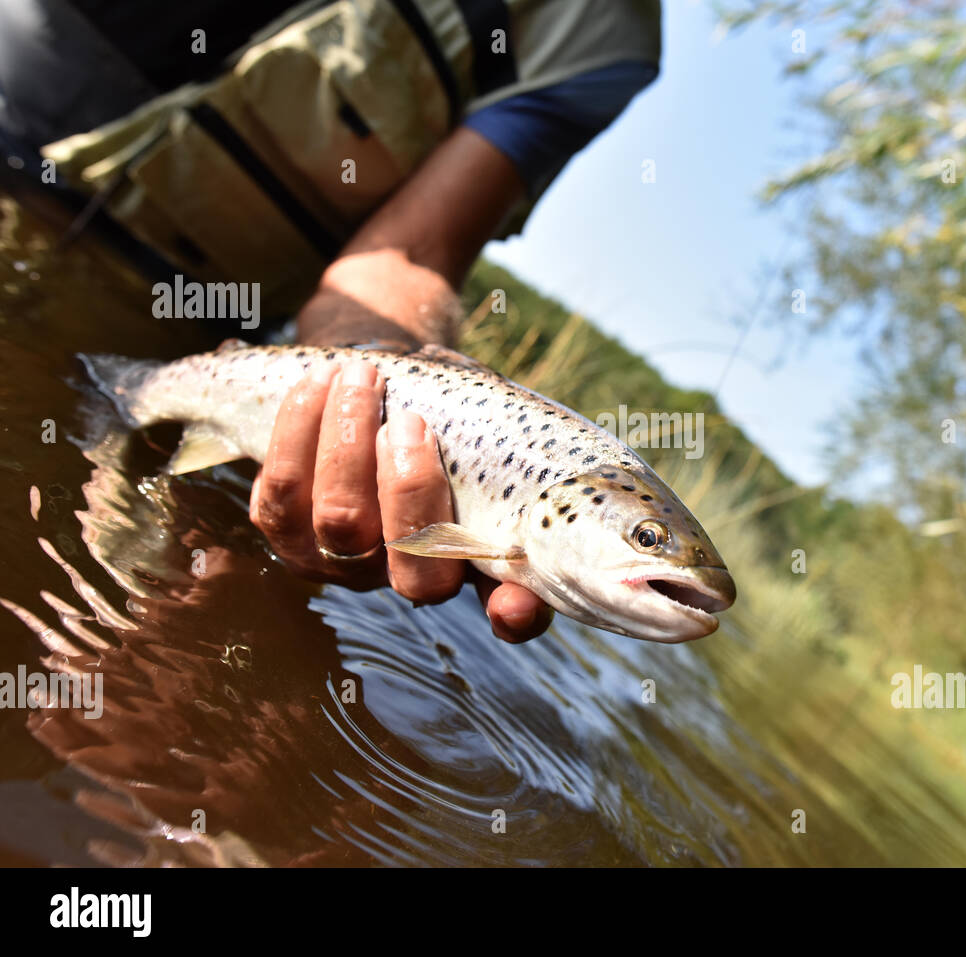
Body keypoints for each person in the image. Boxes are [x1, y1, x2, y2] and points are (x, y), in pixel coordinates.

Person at [0, 0, 662, 643]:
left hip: (178, 312)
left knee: (147, 629)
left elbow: (411, 251)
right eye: (646, 538)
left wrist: (360, 378)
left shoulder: (602, 41)